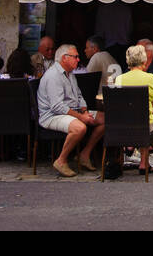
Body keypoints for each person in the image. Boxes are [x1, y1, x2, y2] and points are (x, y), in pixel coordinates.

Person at [36, 43, 105, 177]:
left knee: (105, 119)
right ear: (64, 58)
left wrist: (84, 111)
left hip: (71, 111)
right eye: (75, 57)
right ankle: (61, 160)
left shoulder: (70, 74)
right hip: (52, 115)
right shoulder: (53, 76)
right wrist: (81, 117)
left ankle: (84, 154)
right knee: (80, 128)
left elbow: (79, 96)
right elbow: (57, 106)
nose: (78, 59)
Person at [114, 45, 153, 172]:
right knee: (145, 121)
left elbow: (118, 103)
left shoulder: (119, 78)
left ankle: (127, 150)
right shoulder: (151, 78)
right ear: (144, 60)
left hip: (124, 124)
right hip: (145, 123)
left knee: (132, 121)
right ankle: (143, 163)